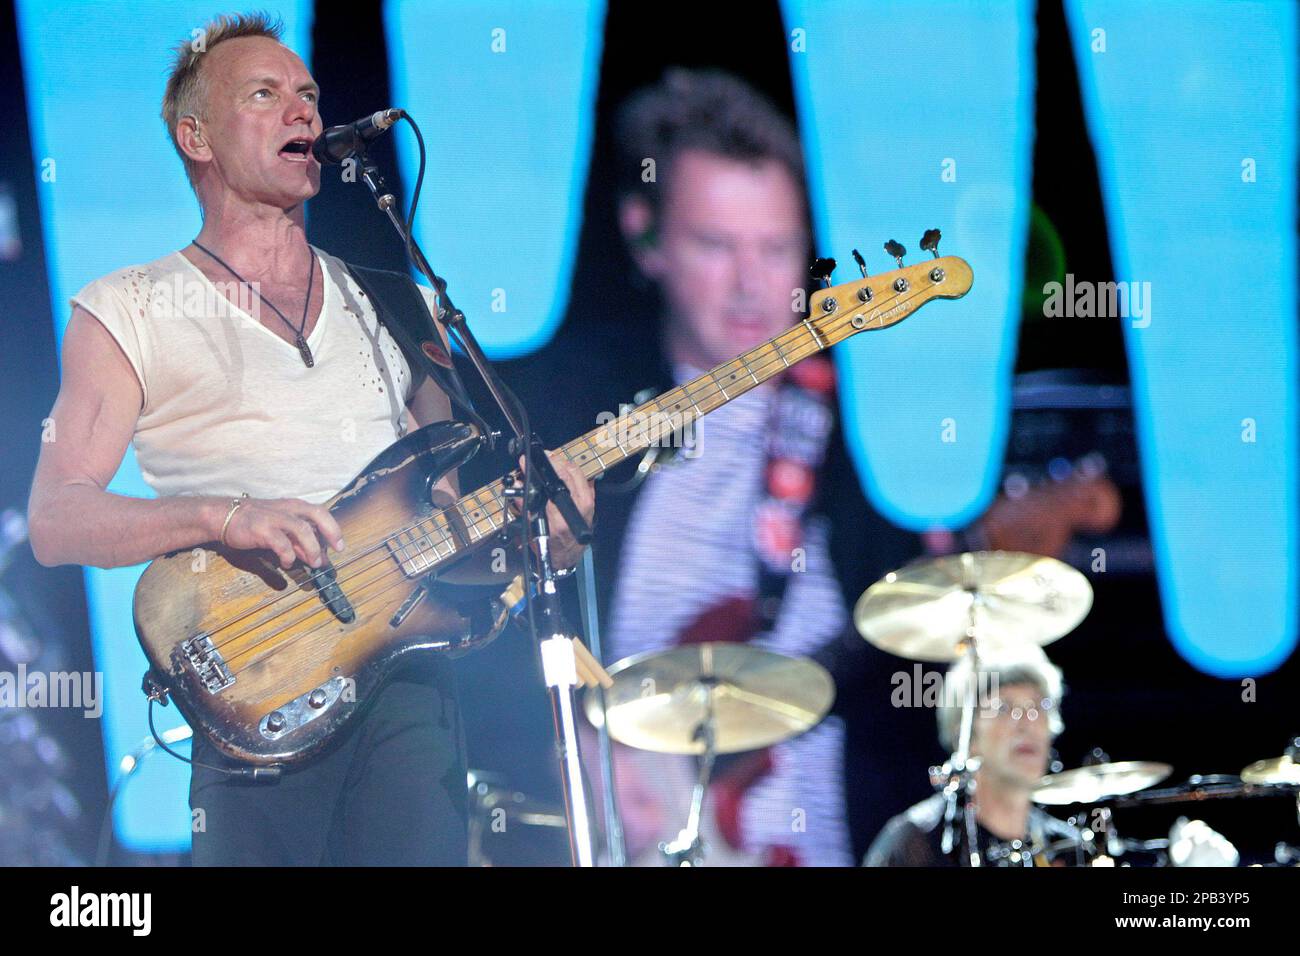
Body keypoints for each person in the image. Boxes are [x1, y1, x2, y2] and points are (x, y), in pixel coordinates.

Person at [25, 12, 594, 866]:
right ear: (196, 137)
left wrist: (537, 540)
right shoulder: (127, 308)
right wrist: (224, 516)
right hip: (256, 689)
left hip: (409, 697)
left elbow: (439, 527)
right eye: (265, 94)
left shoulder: (396, 305)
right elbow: (57, 520)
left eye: (309, 94)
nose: (304, 113)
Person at [864, 646, 1239, 867]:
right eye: (1004, 708)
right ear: (966, 735)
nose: (1025, 724)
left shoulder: (1069, 846)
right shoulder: (917, 839)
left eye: (1037, 708)